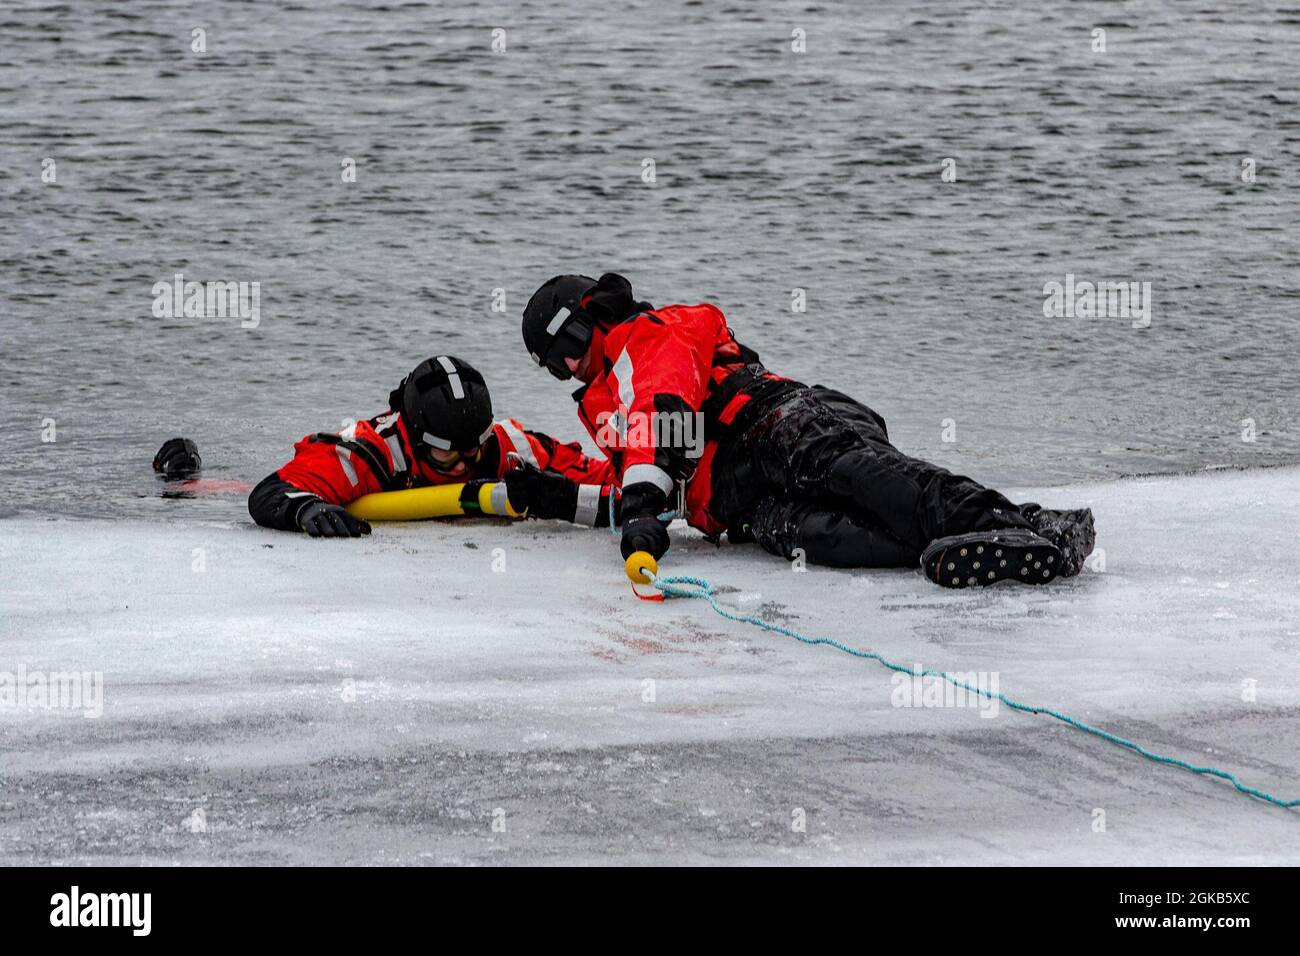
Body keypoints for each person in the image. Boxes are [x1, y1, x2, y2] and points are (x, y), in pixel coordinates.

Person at [521, 273, 1095, 588]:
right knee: (824, 539)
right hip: (736, 504)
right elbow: (634, 478)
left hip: (770, 421)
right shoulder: (604, 407)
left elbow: (664, 404)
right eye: (553, 367)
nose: (567, 369)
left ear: (588, 320)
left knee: (860, 477)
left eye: (565, 351)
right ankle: (972, 550)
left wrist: (646, 504)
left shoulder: (656, 329)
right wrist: (555, 496)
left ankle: (1029, 523)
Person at [247, 355, 618, 537]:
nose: (462, 465)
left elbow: (612, 480)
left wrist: (560, 496)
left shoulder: (510, 448)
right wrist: (305, 511)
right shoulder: (371, 451)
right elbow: (271, 493)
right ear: (415, 439)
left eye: (470, 451)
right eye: (446, 454)